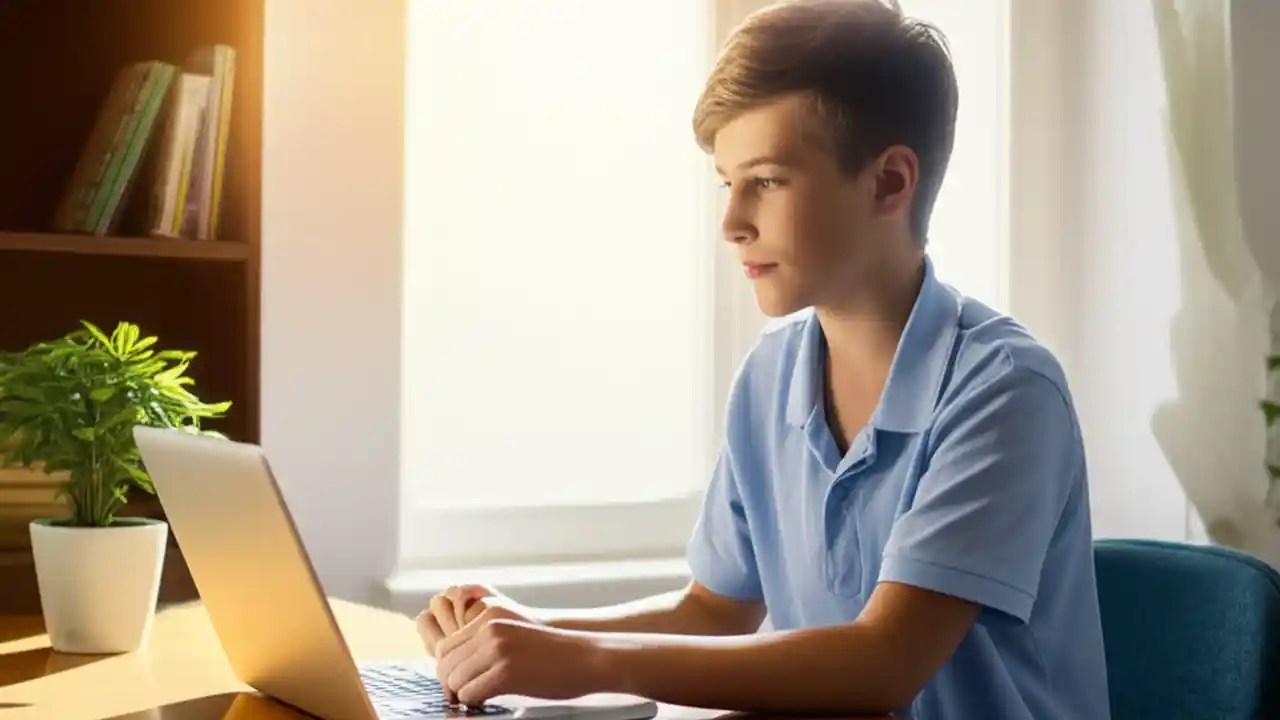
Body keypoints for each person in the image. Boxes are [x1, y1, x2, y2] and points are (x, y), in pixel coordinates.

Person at [415, 1, 1110, 717]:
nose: (732, 223)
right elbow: (714, 614)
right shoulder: (768, 380)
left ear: (890, 182)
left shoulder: (1005, 391)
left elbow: (883, 663)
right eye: (727, 183)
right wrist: (526, 631)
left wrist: (586, 658)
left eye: (768, 181)